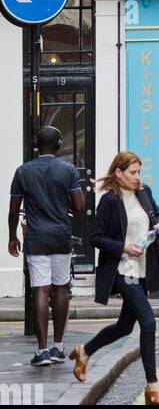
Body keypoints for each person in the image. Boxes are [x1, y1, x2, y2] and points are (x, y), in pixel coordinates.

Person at [69, 151, 159, 405]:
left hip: (143, 269)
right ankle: (153, 387)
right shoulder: (110, 201)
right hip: (123, 271)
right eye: (132, 173)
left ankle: (85, 351)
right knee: (148, 322)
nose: (137, 178)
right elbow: (96, 237)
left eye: (139, 172)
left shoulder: (143, 192)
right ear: (118, 172)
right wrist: (123, 248)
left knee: (124, 326)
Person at [8, 125, 86, 367]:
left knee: (40, 290)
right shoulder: (68, 170)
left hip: (36, 238)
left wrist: (13, 236)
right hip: (60, 236)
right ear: (59, 144)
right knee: (61, 288)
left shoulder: (23, 171)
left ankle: (41, 351)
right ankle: (58, 347)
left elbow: (13, 211)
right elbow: (80, 206)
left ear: (36, 145)